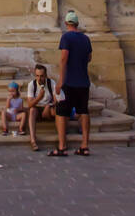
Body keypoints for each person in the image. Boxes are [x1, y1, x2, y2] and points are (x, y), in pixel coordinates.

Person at [48, 9, 92, 157]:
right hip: (84, 81)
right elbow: (89, 57)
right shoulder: (86, 38)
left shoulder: (66, 37)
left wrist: (60, 81)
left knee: (61, 112)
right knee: (83, 111)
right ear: (77, 23)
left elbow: (63, 59)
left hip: (69, 82)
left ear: (66, 23)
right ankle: (84, 145)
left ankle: (62, 147)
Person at [24, 63, 56, 153]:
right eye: (37, 76)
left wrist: (49, 105)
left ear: (45, 75)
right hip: (37, 109)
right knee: (32, 110)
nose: (39, 78)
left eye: (42, 76)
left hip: (48, 109)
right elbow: (29, 104)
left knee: (56, 110)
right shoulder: (32, 84)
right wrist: (39, 97)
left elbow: (56, 100)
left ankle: (61, 137)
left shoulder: (51, 83)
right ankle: (33, 141)